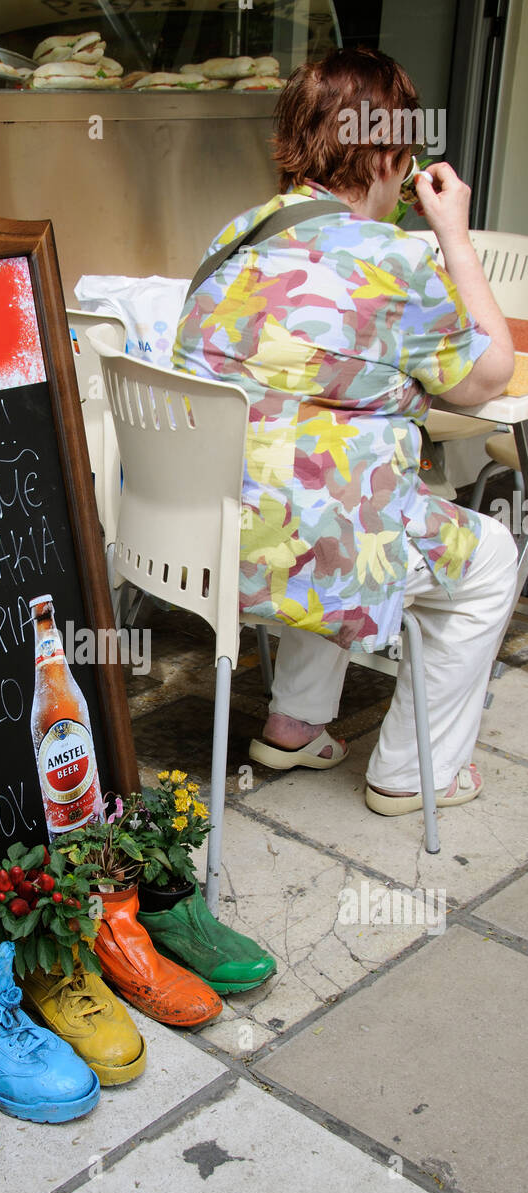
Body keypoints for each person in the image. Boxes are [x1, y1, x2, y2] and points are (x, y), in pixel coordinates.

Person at [172, 46, 517, 815]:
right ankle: (411, 774)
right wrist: (452, 234)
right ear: (391, 151)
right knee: (488, 554)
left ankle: (293, 724)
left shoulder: (236, 236)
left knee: (321, 479)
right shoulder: (396, 260)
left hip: (206, 534)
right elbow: (489, 376)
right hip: (304, 550)